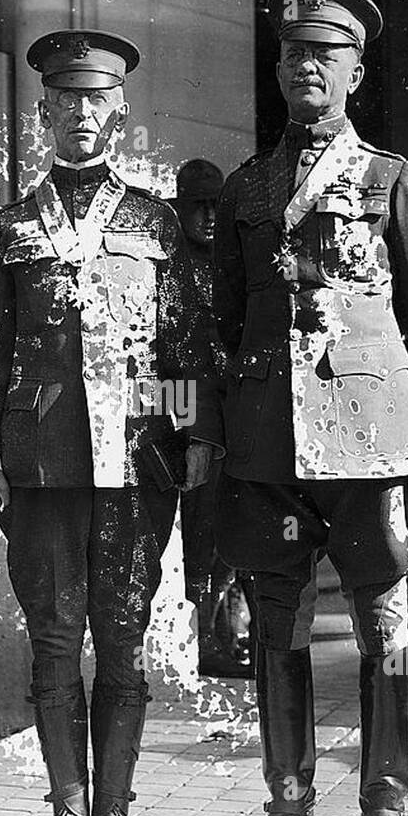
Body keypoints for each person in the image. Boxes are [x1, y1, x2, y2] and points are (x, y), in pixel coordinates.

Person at [212, 0, 408, 816]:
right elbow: (224, 318)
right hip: (267, 446)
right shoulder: (247, 188)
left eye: (325, 54)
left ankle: (386, 806)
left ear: (355, 71)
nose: (306, 66)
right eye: (293, 53)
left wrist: (404, 396)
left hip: (370, 442)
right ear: (278, 67)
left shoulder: (395, 180)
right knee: (276, 625)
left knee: (386, 627)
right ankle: (289, 811)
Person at [0, 30, 223, 816]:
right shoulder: (10, 227)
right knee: (51, 638)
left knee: (122, 638)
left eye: (96, 100)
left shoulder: (155, 223)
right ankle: (65, 813)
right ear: (43, 113)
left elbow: (189, 346)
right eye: (65, 100)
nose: (81, 114)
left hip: (135, 469)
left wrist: (202, 437)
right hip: (41, 469)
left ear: (120, 112)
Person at [171, 159, 253, 679]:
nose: (206, 216)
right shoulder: (169, 265)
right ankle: (208, 641)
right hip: (187, 416)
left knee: (237, 528)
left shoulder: (231, 262)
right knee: (200, 530)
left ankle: (231, 634)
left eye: (213, 206)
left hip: (236, 414)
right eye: (196, 205)